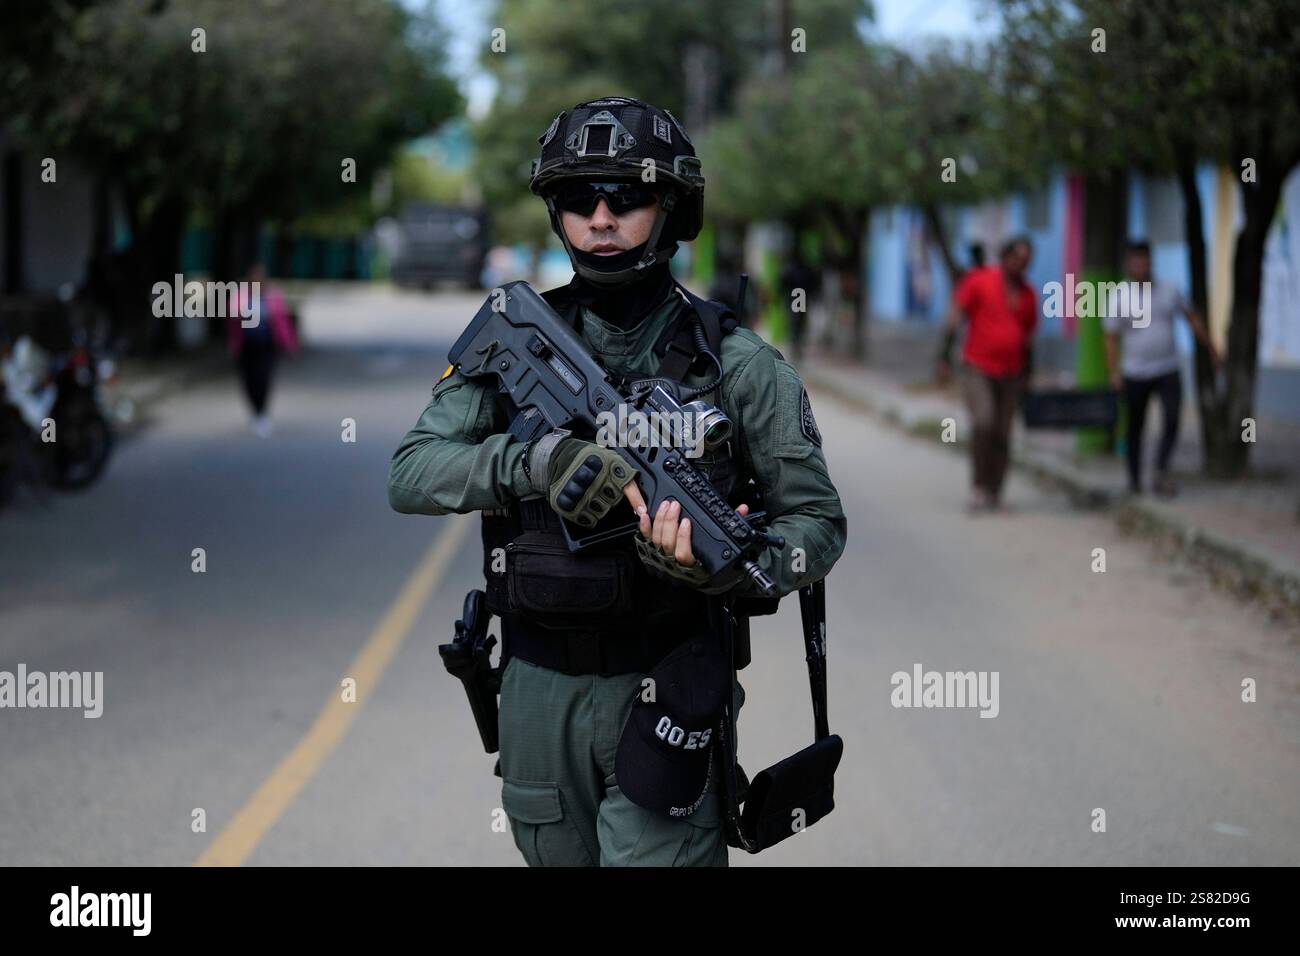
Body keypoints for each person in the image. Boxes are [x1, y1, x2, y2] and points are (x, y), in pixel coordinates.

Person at [388, 97, 847, 867]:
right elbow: (412, 471)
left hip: (665, 682)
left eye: (626, 197)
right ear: (556, 213)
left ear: (670, 208)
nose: (601, 218)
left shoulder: (738, 366)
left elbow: (818, 527)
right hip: (536, 692)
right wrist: (532, 464)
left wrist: (720, 569)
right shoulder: (517, 339)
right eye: (577, 198)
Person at [1104, 240, 1220, 497]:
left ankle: (1160, 467)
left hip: (1168, 368)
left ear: (1151, 261)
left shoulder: (1169, 289)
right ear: (1129, 264)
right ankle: (1134, 481)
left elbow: (1191, 317)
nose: (1142, 266)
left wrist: (1211, 348)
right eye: (1136, 260)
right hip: (1135, 372)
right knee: (1135, 427)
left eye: (1145, 260)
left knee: (1172, 419)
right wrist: (1113, 373)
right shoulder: (1119, 296)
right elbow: (1111, 337)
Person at [937, 237, 1038, 512]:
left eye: (1026, 260)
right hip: (978, 367)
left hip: (1012, 371)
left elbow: (1028, 338)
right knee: (984, 421)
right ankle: (979, 486)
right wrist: (944, 356)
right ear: (1005, 258)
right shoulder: (981, 280)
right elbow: (956, 315)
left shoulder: (1028, 294)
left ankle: (996, 491)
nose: (1021, 265)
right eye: (1017, 258)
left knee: (1003, 432)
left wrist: (1029, 374)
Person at [227, 263, 300, 437]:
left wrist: (289, 345)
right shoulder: (241, 296)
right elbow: (232, 317)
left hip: (267, 345)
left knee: (264, 379)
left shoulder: (273, 297)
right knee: (249, 381)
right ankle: (255, 410)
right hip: (247, 346)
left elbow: (283, 323)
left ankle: (262, 412)